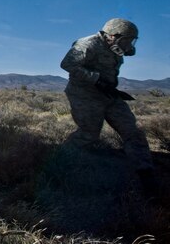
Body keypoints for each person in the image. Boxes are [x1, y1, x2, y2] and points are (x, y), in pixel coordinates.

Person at [60, 18, 157, 193]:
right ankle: (60, 162)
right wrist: (96, 79)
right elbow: (67, 64)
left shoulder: (117, 46)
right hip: (84, 94)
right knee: (89, 134)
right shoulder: (87, 44)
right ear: (113, 35)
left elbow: (128, 51)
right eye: (127, 39)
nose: (129, 44)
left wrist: (107, 84)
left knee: (132, 130)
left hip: (109, 94)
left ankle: (145, 172)